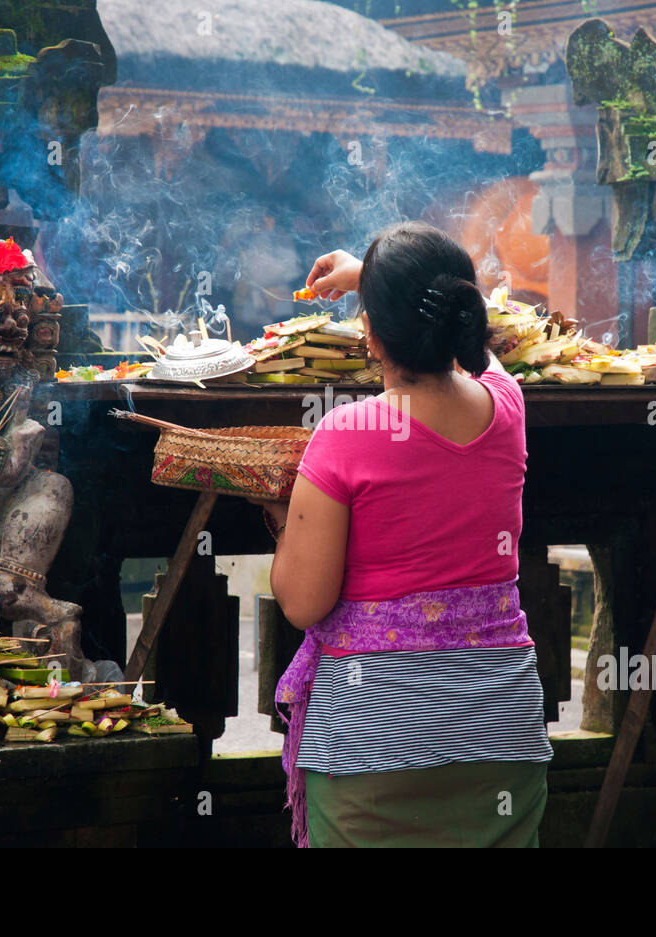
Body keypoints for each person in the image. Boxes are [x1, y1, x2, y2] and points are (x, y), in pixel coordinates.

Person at [256, 221, 552, 848]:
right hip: (501, 735)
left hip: (374, 746)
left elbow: (304, 602)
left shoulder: (346, 433)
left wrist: (282, 521)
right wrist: (380, 281)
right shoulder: (507, 408)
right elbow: (483, 342)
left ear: (370, 333)